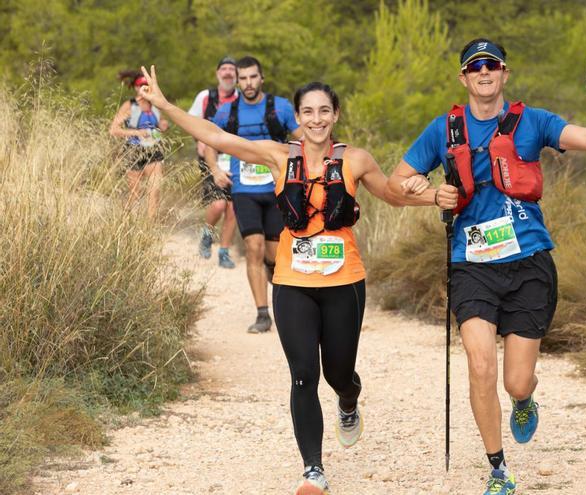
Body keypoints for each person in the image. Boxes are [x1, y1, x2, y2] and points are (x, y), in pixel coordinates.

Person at [136, 66, 428, 494]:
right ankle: (313, 469)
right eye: (307, 111)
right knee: (302, 375)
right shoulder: (278, 156)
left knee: (339, 373)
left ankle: (349, 400)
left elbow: (392, 194)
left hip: (343, 280)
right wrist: (163, 106)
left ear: (335, 115)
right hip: (291, 281)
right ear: (297, 117)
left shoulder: (355, 159)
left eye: (323, 111)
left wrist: (430, 193)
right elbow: (217, 138)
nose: (315, 119)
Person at [385, 38, 586, 495]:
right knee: (479, 364)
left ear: (505, 73)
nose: (484, 73)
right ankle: (498, 471)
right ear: (464, 78)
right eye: (475, 67)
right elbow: (396, 185)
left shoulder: (533, 122)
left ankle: (525, 398)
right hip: (471, 262)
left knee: (513, 381)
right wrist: (433, 194)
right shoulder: (444, 130)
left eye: (491, 65)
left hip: (528, 259)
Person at [206, 56, 301, 333]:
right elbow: (210, 140)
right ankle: (263, 314)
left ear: (261, 78)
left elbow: (302, 139)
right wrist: (214, 169)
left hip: (276, 191)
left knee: (275, 255)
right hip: (244, 191)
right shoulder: (228, 112)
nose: (248, 83)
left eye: (252, 77)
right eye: (243, 78)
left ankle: (278, 283)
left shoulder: (279, 107)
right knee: (253, 248)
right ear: (237, 81)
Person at [188, 56, 239, 268]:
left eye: (231, 70)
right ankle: (207, 234)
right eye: (224, 69)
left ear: (236, 75)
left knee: (233, 209)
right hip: (211, 158)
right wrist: (199, 140)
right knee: (218, 204)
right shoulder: (205, 97)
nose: (227, 73)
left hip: (236, 158)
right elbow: (191, 121)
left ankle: (224, 252)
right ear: (218, 73)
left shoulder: (242, 99)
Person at [109, 70, 169, 219]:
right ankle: (127, 222)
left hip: (154, 148)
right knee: (135, 192)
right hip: (133, 149)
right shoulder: (130, 105)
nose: (144, 87)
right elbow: (113, 130)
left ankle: (150, 224)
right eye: (141, 85)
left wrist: (162, 126)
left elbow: (158, 125)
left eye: (146, 84)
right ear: (136, 87)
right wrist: (136, 133)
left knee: (154, 189)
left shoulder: (155, 105)